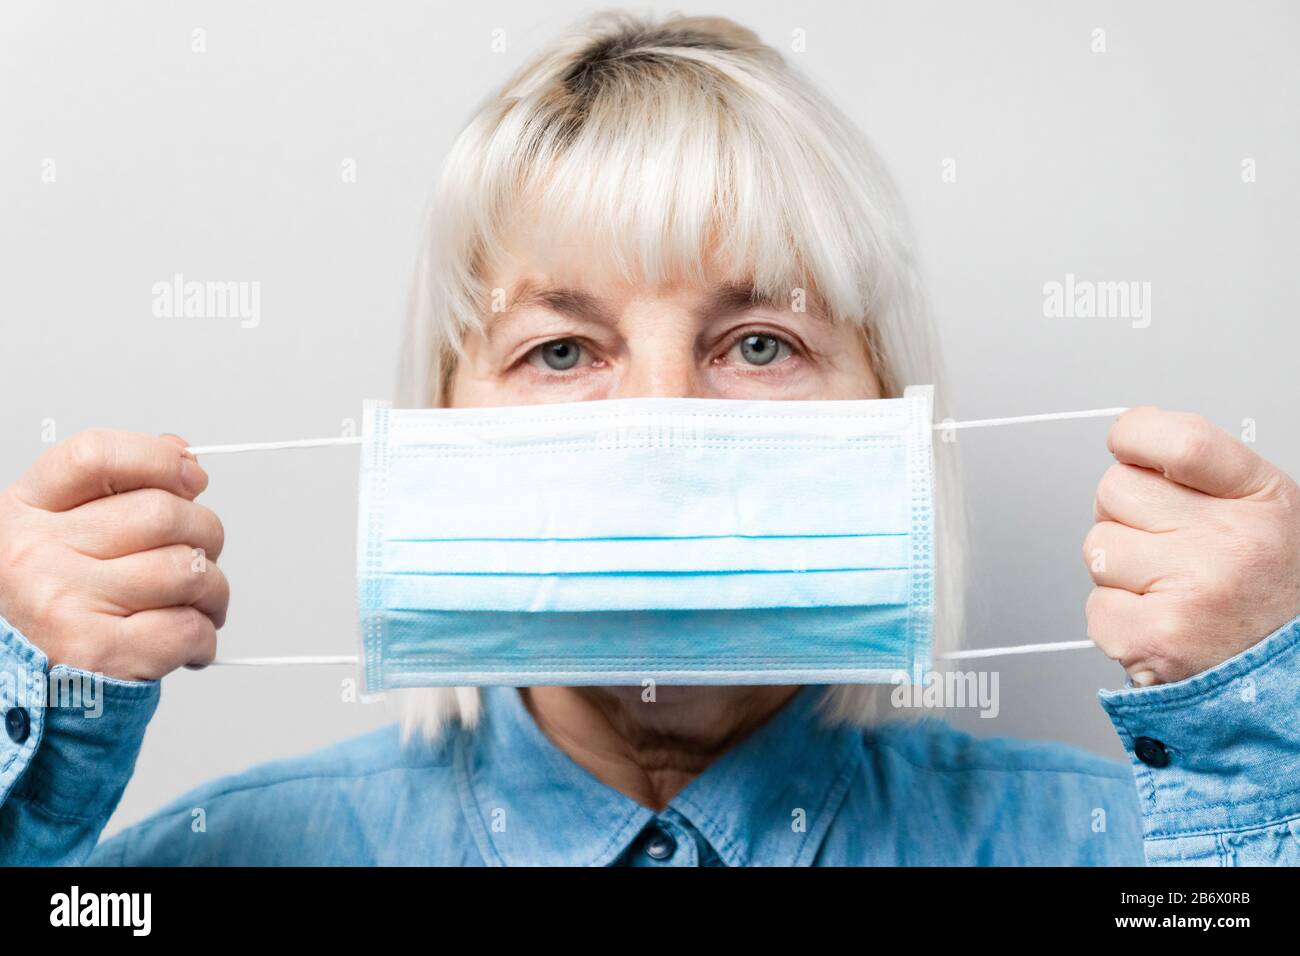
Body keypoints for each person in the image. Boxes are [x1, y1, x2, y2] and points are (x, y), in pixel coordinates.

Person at [2, 11, 1298, 867]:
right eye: (560, 350)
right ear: (443, 421)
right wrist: (35, 752)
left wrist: (1263, 742)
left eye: (758, 343)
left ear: (891, 414)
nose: (659, 425)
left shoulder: (1117, 855)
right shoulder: (217, 862)